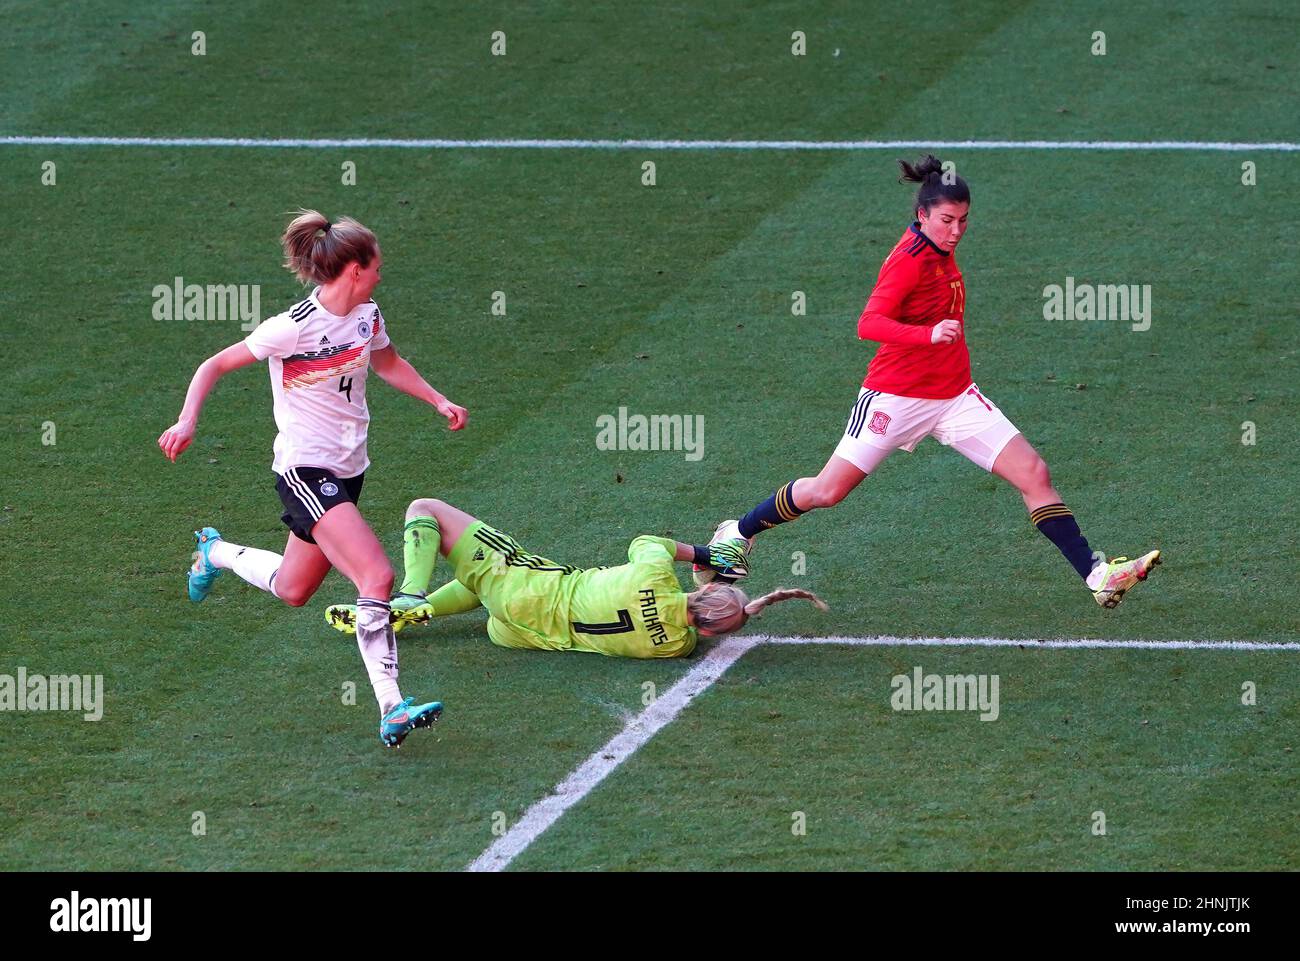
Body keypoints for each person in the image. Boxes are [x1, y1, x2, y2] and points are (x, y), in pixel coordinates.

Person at [713, 155, 1160, 609]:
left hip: (954, 398)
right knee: (828, 491)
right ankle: (738, 531)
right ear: (922, 215)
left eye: (964, 220)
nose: (956, 230)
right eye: (947, 220)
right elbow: (868, 324)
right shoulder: (908, 262)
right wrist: (927, 334)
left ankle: (1097, 575)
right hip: (895, 398)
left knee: (1034, 473)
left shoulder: (940, 249)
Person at [157, 210, 467, 746]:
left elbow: (388, 363)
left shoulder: (367, 315)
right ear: (351, 269)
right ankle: (392, 705)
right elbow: (214, 364)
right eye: (375, 267)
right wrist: (187, 419)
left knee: (294, 589)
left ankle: (214, 553)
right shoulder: (292, 327)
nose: (380, 274)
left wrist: (436, 398)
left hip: (349, 472)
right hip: (305, 469)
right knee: (376, 577)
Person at [323, 498, 826, 657]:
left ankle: (409, 595)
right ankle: (423, 610)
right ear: (712, 631)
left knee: (425, 509)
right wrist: (715, 598)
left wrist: (704, 554)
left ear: (711, 591)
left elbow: (646, 543)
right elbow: (697, 617)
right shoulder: (678, 647)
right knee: (485, 588)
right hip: (522, 636)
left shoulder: (655, 577)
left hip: (531, 589)